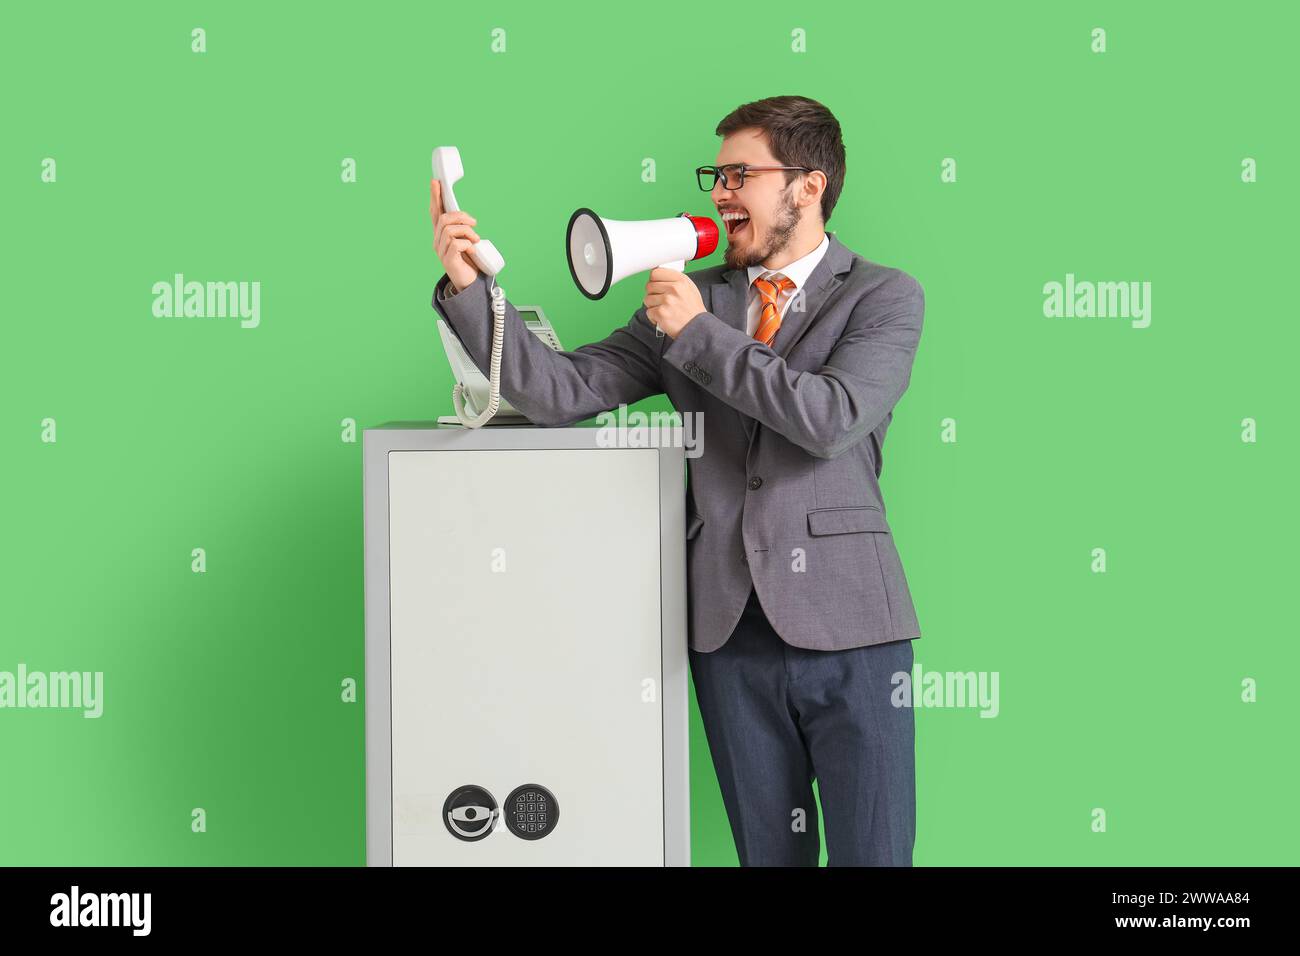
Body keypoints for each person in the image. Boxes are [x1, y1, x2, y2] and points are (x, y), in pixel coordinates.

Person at [431, 95, 925, 866]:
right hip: (729, 633)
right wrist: (470, 290)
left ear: (808, 184)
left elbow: (829, 418)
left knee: (878, 857)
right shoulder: (691, 298)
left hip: (852, 629)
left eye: (740, 175)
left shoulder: (883, 296)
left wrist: (699, 334)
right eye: (716, 176)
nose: (720, 193)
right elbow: (559, 392)